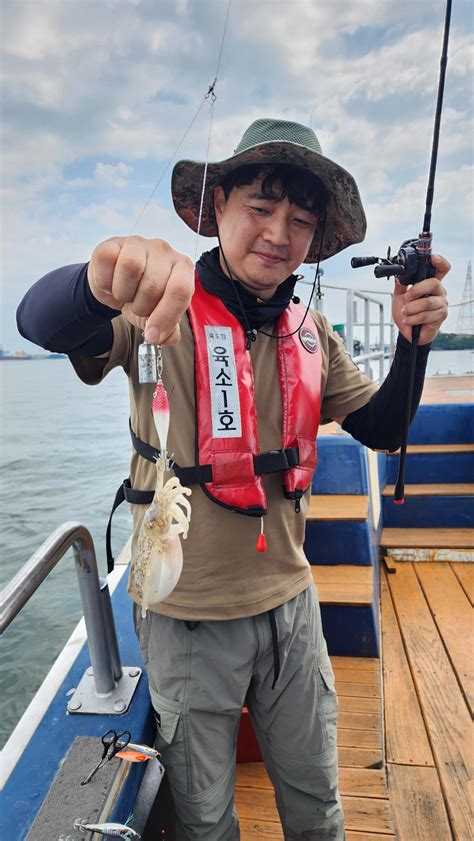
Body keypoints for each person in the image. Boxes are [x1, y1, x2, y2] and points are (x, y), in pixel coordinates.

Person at [17, 118, 449, 840]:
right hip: (186, 615)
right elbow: (40, 320)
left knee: (319, 805)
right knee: (207, 819)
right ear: (216, 204)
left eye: (301, 220)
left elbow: (384, 427)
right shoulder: (158, 309)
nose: (279, 233)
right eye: (260, 206)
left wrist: (414, 344)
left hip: (292, 607)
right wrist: (97, 283)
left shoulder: (312, 332)